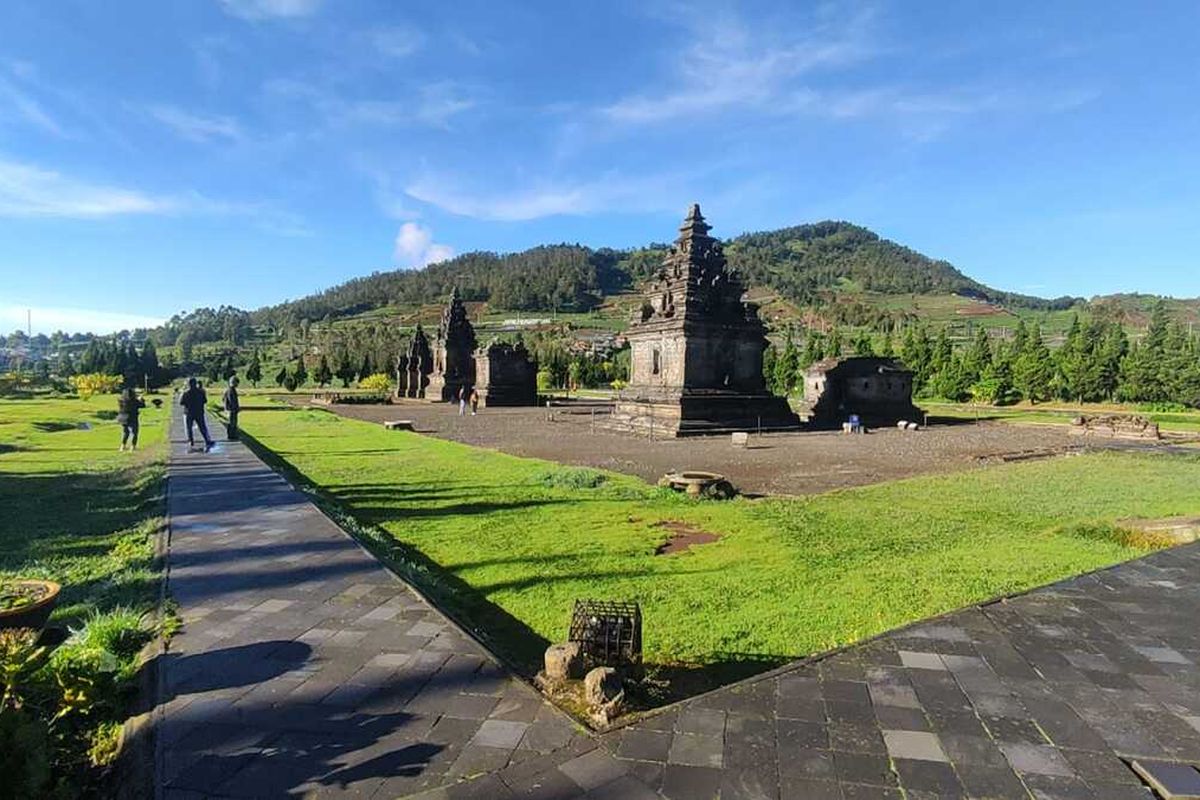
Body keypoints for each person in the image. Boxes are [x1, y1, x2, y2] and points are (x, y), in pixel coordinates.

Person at [180, 377, 214, 451]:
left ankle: (191, 441)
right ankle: (207, 440)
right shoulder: (201, 392)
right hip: (199, 412)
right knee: (202, 427)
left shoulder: (186, 393)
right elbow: (205, 401)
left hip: (188, 412)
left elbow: (181, 402)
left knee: (189, 428)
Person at [116, 384, 145, 451]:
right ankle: (132, 446)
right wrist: (141, 399)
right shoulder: (134, 401)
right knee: (135, 432)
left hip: (122, 417)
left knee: (126, 432)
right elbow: (142, 405)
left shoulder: (121, 401)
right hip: (132, 417)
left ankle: (122, 446)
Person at [222, 376, 241, 440]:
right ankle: (232, 436)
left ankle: (232, 435)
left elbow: (223, 399)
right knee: (232, 423)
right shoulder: (231, 390)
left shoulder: (228, 390)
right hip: (232, 410)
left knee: (231, 423)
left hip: (229, 409)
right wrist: (235, 408)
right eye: (237, 383)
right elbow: (232, 401)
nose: (237, 384)